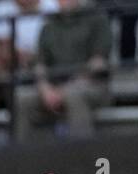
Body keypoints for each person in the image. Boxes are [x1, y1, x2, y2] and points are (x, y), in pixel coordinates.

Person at [12, 0, 112, 141]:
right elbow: (40, 65)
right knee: (21, 99)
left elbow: (98, 62)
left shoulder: (96, 18)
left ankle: (83, 158)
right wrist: (45, 89)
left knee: (73, 96)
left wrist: (65, 89)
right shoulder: (49, 25)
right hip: (54, 88)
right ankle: (19, 157)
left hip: (92, 84)